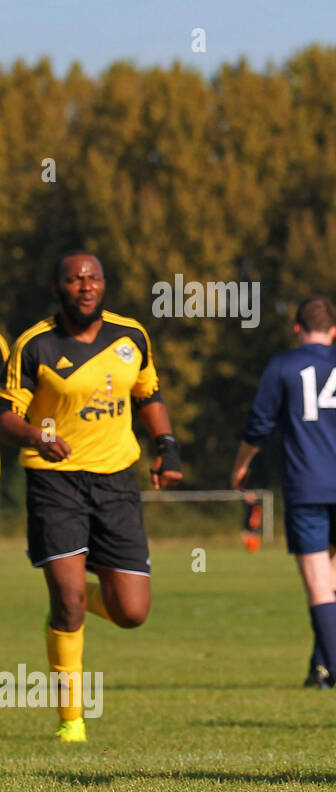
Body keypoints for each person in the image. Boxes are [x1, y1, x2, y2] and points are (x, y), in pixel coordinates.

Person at [0, 251, 183, 743]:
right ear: (58, 288)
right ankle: (71, 721)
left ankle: (74, 606)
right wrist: (36, 436)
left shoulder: (131, 336)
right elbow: (6, 415)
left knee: (131, 612)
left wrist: (166, 447)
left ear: (104, 284)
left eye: (94, 277)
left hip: (116, 482)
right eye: (74, 279)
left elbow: (149, 395)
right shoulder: (34, 344)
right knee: (69, 600)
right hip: (54, 481)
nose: (85, 285)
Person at [230, 295, 336, 689]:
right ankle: (319, 667)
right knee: (331, 571)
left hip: (306, 482)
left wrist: (240, 465)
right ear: (333, 330)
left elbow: (258, 425)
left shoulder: (283, 366)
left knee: (315, 579)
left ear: (296, 328)